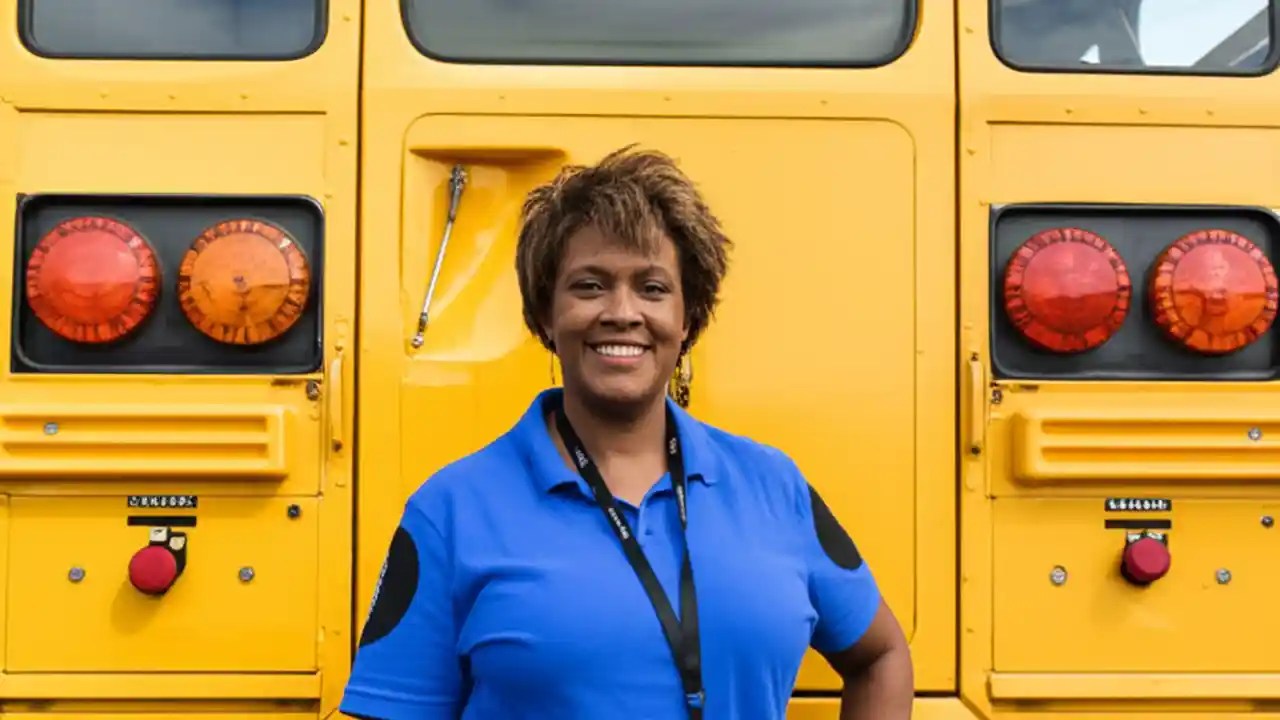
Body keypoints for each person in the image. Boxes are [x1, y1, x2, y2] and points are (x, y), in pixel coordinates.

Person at [339, 146, 914, 719]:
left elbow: (881, 654)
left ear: (688, 319)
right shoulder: (452, 511)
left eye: (653, 288)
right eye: (589, 286)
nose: (622, 311)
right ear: (545, 313)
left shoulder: (773, 486)